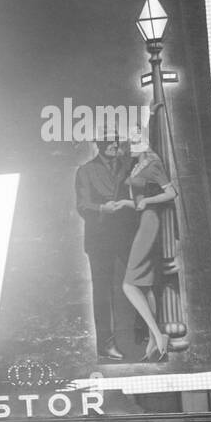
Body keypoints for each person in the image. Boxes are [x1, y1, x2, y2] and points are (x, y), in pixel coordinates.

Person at [114, 123, 178, 361]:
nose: (128, 145)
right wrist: (124, 204)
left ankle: (159, 335)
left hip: (150, 223)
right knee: (146, 286)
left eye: (132, 140)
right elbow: (140, 201)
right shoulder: (138, 165)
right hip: (143, 219)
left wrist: (148, 202)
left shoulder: (152, 164)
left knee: (128, 285)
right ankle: (153, 342)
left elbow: (171, 193)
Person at [75, 134, 139, 361]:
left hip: (127, 236)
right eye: (109, 141)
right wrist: (103, 209)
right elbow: (82, 205)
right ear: (99, 145)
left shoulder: (128, 164)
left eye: (116, 140)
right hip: (100, 240)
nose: (115, 144)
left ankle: (142, 334)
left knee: (141, 280)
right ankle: (106, 344)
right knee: (103, 293)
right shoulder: (85, 171)